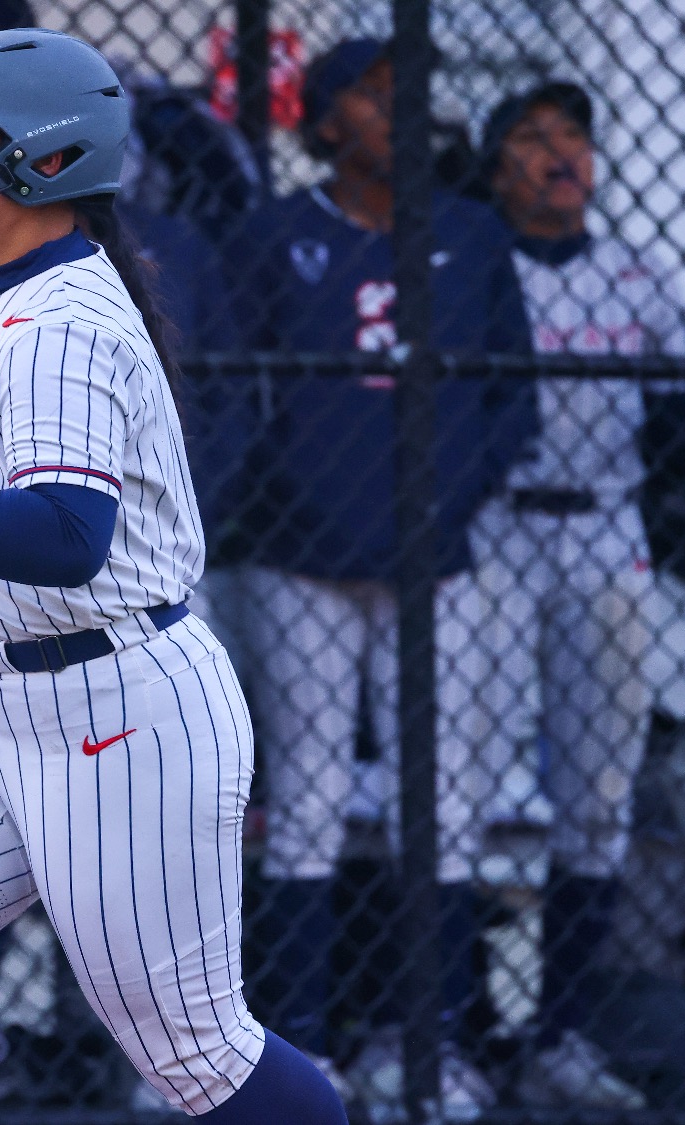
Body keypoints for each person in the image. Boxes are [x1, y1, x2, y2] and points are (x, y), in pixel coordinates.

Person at [0, 29, 346, 1125]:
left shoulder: (63, 323)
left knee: (195, 1055)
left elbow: (64, 538)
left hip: (114, 712)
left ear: (43, 159)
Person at [229, 39, 535, 1120]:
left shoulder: (469, 233)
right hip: (302, 560)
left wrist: (447, 501)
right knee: (306, 804)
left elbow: (515, 400)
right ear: (322, 122)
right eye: (370, 93)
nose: (398, 110)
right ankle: (300, 1044)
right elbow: (232, 399)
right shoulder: (275, 237)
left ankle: (435, 1040)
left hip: (434, 560)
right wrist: (288, 494)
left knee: (440, 804)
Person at [469, 79, 685, 1111]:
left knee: (596, 800)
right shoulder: (471, 266)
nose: (558, 152)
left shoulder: (633, 276)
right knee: (456, 783)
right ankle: (455, 1029)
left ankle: (557, 1035)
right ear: (496, 163)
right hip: (491, 527)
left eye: (572, 135)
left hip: (606, 524)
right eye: (531, 136)